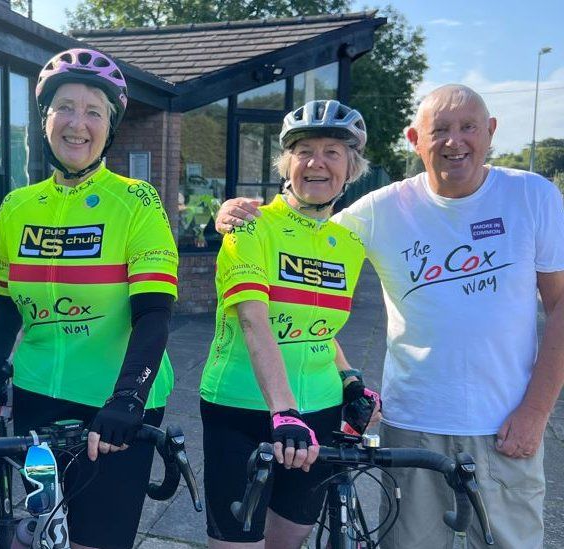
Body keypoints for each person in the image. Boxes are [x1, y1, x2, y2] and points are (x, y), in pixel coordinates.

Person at [215, 85, 564, 548]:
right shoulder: (379, 211)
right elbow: (302, 229)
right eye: (439, 130)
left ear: (491, 132)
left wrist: (536, 412)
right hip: (413, 422)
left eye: (468, 128)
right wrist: (236, 214)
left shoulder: (531, 195)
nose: (453, 141)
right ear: (415, 139)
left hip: (505, 423)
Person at [0, 48, 179, 549]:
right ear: (45, 119)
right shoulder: (17, 206)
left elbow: (153, 314)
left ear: (111, 127)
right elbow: (2, 307)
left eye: (93, 111)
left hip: (119, 401)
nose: (77, 123)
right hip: (39, 396)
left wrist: (129, 396)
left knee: (98, 540)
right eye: (65, 107)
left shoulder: (137, 202)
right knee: (45, 532)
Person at [200, 100, 380, 549]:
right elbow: (254, 321)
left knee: (289, 540)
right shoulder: (250, 226)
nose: (317, 162)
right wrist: (284, 410)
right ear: (287, 162)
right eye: (304, 150)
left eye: (332, 152)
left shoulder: (349, 242)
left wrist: (351, 378)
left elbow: (321, 328)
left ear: (351, 167)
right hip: (241, 407)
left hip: (318, 410)